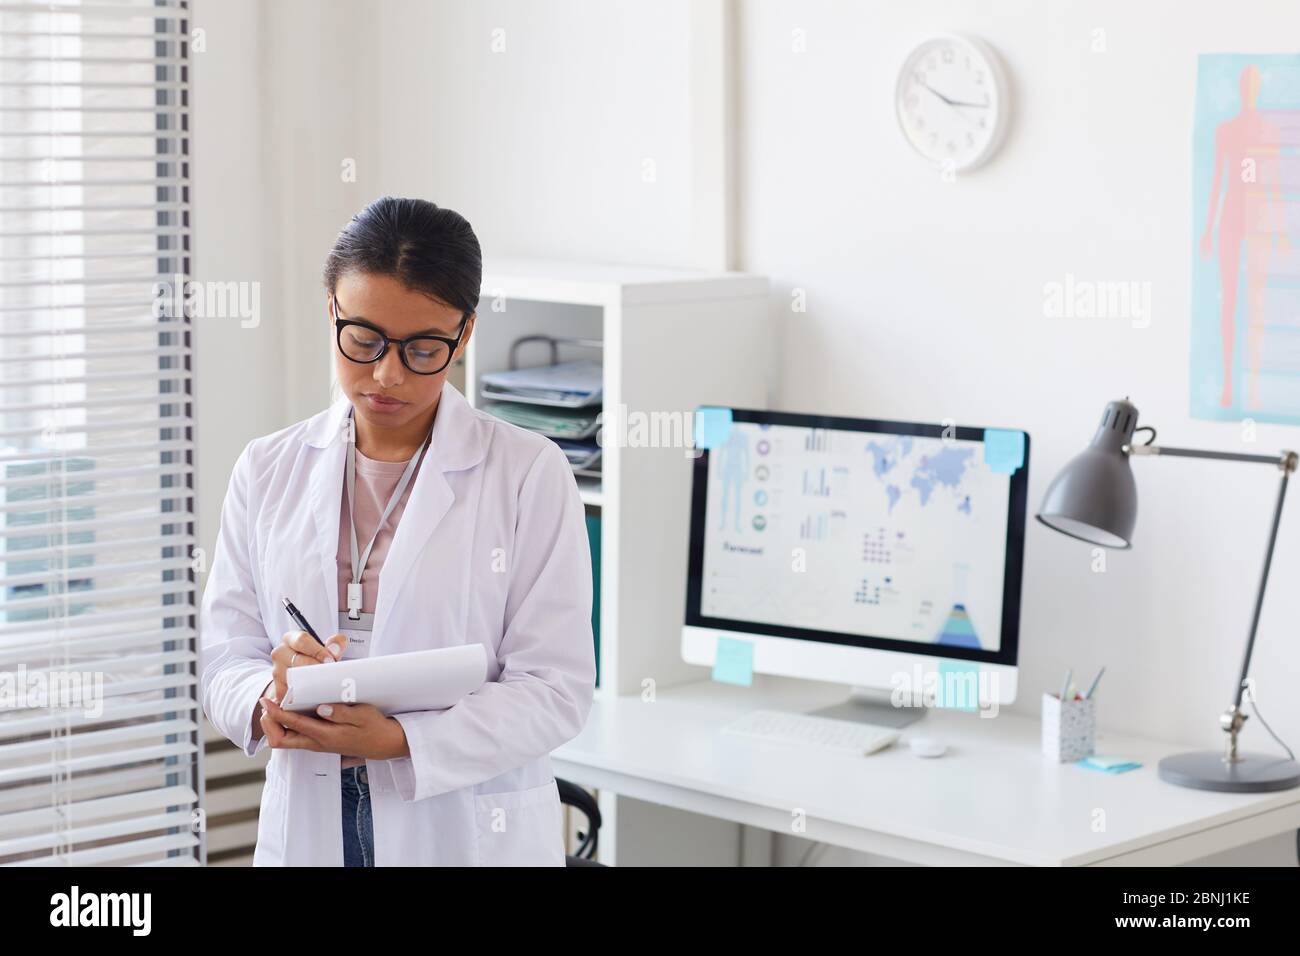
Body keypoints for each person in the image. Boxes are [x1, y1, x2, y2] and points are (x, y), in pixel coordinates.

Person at [199, 197, 596, 866]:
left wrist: (402, 741)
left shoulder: (529, 473)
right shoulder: (268, 468)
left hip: (459, 821)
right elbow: (223, 655)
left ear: (464, 335)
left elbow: (554, 690)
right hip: (312, 814)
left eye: (422, 349)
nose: (387, 374)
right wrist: (267, 695)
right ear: (331, 311)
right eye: (364, 339)